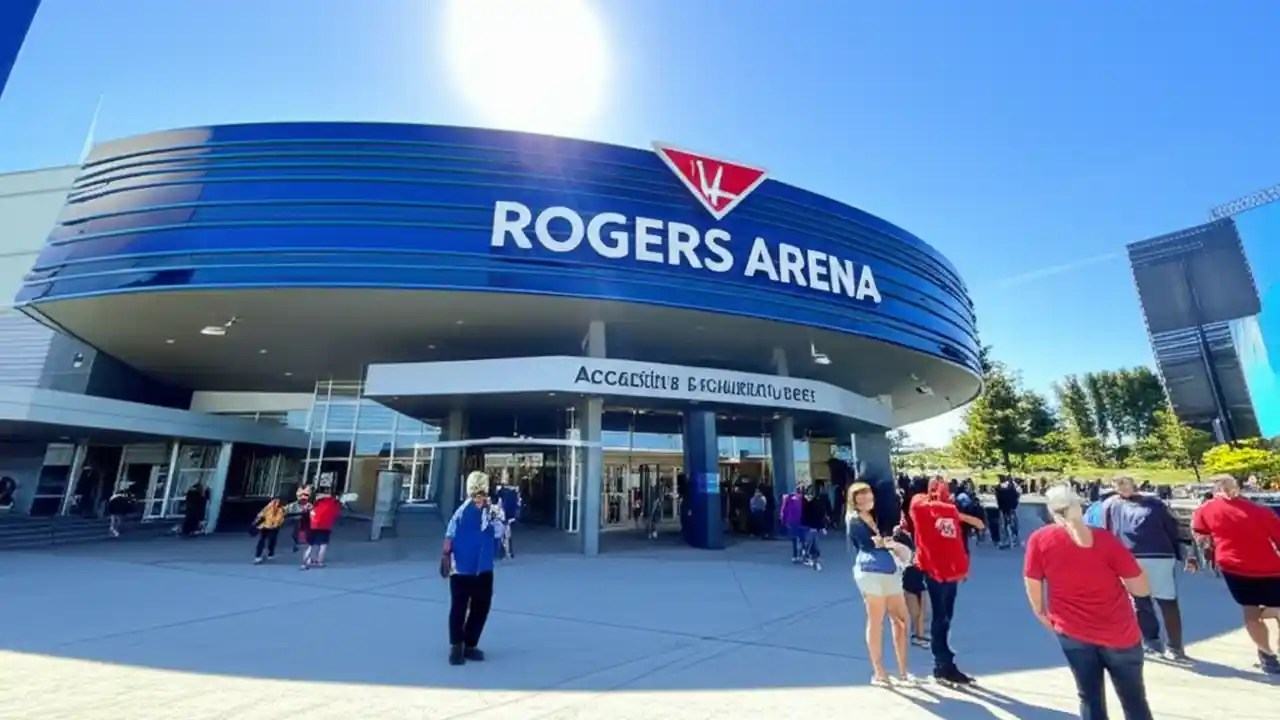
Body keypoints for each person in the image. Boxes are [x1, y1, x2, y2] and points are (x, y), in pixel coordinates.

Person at [1025, 484, 1153, 720]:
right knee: (1134, 699)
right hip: (1119, 631)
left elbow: (1032, 580)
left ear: (1052, 512)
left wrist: (1041, 614)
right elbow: (1140, 588)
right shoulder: (1106, 540)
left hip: (1072, 632)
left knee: (1089, 697)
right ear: (1079, 507)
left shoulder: (1039, 540)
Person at [1191, 475, 1280, 674]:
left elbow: (1200, 533)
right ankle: (1271, 623)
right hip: (1270, 567)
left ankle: (1267, 656)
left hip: (1233, 567)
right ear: (1238, 488)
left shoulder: (1205, 510)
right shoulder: (1260, 511)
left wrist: (1208, 549)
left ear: (1215, 489)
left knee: (1250, 612)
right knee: (1273, 610)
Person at [1103, 477, 1191, 661]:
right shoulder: (1152, 504)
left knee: (1153, 601)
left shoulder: (1115, 504)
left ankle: (1164, 644)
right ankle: (1163, 644)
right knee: (1154, 602)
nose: (1122, 488)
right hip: (1146, 556)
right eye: (1119, 485)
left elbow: (1106, 531)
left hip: (1144, 556)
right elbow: (1172, 528)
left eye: (1124, 484)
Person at [909, 476, 985, 685]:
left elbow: (956, 541)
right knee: (941, 617)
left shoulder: (949, 509)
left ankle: (943, 663)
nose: (941, 490)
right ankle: (943, 663)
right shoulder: (920, 503)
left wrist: (961, 567)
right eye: (936, 485)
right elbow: (923, 507)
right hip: (934, 570)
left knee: (946, 617)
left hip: (950, 571)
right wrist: (959, 515)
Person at [846, 482, 915, 687]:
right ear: (853, 500)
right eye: (860, 497)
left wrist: (887, 541)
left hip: (889, 571)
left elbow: (882, 540)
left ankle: (903, 671)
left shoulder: (875, 518)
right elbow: (870, 543)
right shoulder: (854, 519)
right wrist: (890, 543)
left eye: (868, 495)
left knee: (901, 619)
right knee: (876, 621)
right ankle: (879, 672)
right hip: (870, 572)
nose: (866, 500)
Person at [444, 470, 505, 665]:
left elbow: (497, 534)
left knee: (475, 607)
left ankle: (465, 644)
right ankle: (460, 646)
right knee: (466, 607)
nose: (481, 496)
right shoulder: (465, 512)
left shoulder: (488, 511)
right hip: (466, 568)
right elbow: (450, 537)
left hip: (477, 567)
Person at [302, 491, 341, 570]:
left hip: (313, 526)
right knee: (323, 545)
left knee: (311, 545)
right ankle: (319, 562)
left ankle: (306, 561)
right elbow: (337, 514)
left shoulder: (316, 503)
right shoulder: (333, 503)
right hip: (326, 527)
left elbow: (307, 511)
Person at [252, 497, 287, 564]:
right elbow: (261, 515)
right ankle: (263, 555)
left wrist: (277, 524)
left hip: (269, 527)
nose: (276, 503)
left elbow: (281, 518)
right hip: (269, 527)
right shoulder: (274, 508)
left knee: (267, 540)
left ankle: (263, 555)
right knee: (266, 540)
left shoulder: (277, 508)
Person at [801, 485, 828, 571]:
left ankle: (807, 555)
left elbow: (805, 515)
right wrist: (822, 527)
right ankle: (814, 557)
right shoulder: (820, 504)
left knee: (809, 542)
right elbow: (821, 517)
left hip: (809, 526)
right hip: (815, 527)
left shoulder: (809, 504)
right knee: (814, 542)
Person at [492, 480, 521, 559]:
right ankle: (509, 553)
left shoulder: (499, 499)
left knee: (500, 537)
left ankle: (501, 553)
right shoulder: (510, 496)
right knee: (507, 536)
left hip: (501, 520)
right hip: (506, 518)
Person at [780, 485, 806, 563]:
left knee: (795, 539)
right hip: (800, 522)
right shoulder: (803, 500)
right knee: (802, 539)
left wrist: (784, 520)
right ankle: (800, 555)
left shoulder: (789, 498)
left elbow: (784, 510)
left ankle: (795, 556)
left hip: (793, 522)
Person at [995, 475, 1021, 548]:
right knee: (1013, 524)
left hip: (1003, 508)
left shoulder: (998, 488)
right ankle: (1014, 540)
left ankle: (1005, 540)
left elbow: (997, 497)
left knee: (1004, 525)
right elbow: (1017, 496)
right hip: (1011, 508)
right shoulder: (1013, 487)